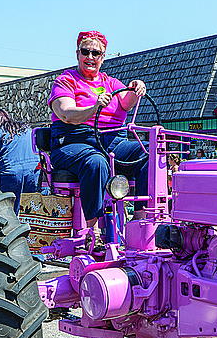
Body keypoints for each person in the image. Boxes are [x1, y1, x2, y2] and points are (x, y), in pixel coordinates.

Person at [48, 30, 148, 234]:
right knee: (95, 161)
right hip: (74, 141)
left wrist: (136, 88)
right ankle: (93, 229)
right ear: (77, 54)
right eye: (86, 52)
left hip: (113, 142)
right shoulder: (66, 81)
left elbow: (127, 103)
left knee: (148, 152)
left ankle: (141, 223)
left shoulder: (110, 83)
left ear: (103, 57)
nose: (90, 57)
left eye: (96, 53)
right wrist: (93, 108)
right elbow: (66, 113)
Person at [0, 107, 40, 214]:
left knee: (8, 212)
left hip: (11, 174)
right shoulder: (26, 129)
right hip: (34, 172)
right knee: (33, 210)